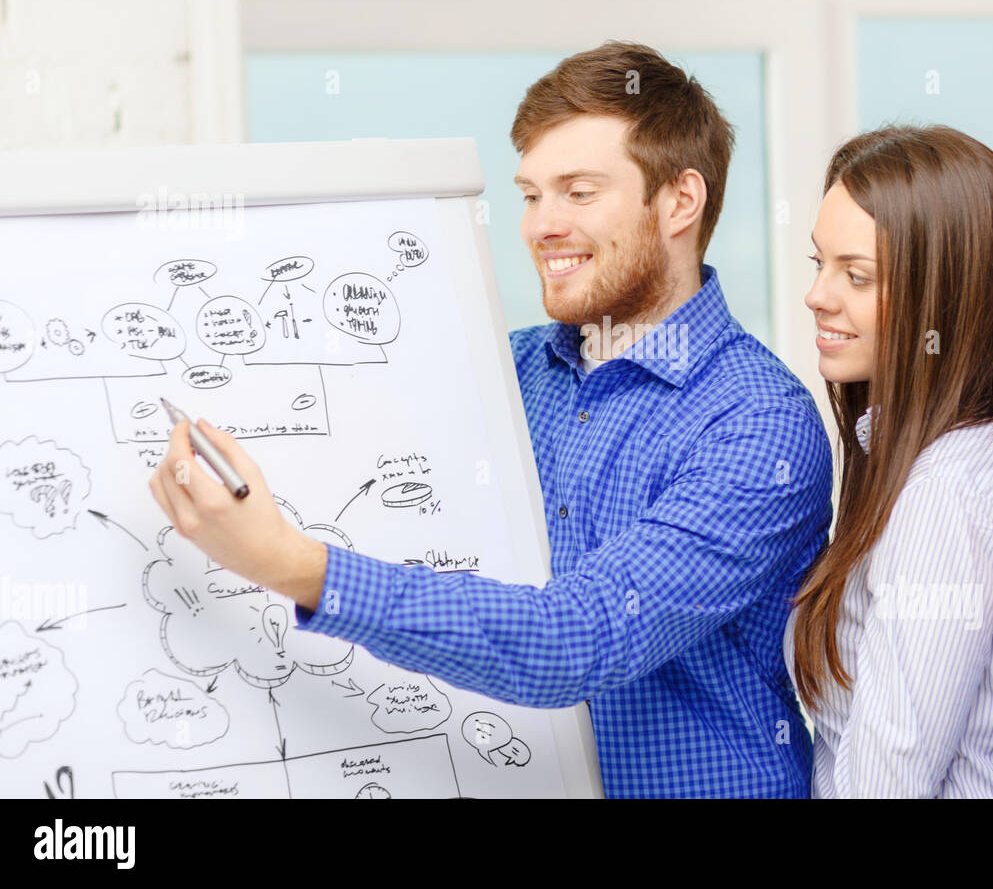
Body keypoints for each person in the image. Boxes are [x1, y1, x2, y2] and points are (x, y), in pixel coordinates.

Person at [147, 41, 833, 799]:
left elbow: (576, 638)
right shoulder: (503, 373)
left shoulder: (759, 423)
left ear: (679, 202)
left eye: (578, 192)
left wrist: (290, 564)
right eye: (531, 194)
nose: (542, 225)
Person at [785, 124, 993, 797]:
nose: (818, 295)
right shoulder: (987, 451)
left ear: (946, 295)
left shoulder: (951, 489)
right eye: (820, 263)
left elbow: (886, 781)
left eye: (857, 275)